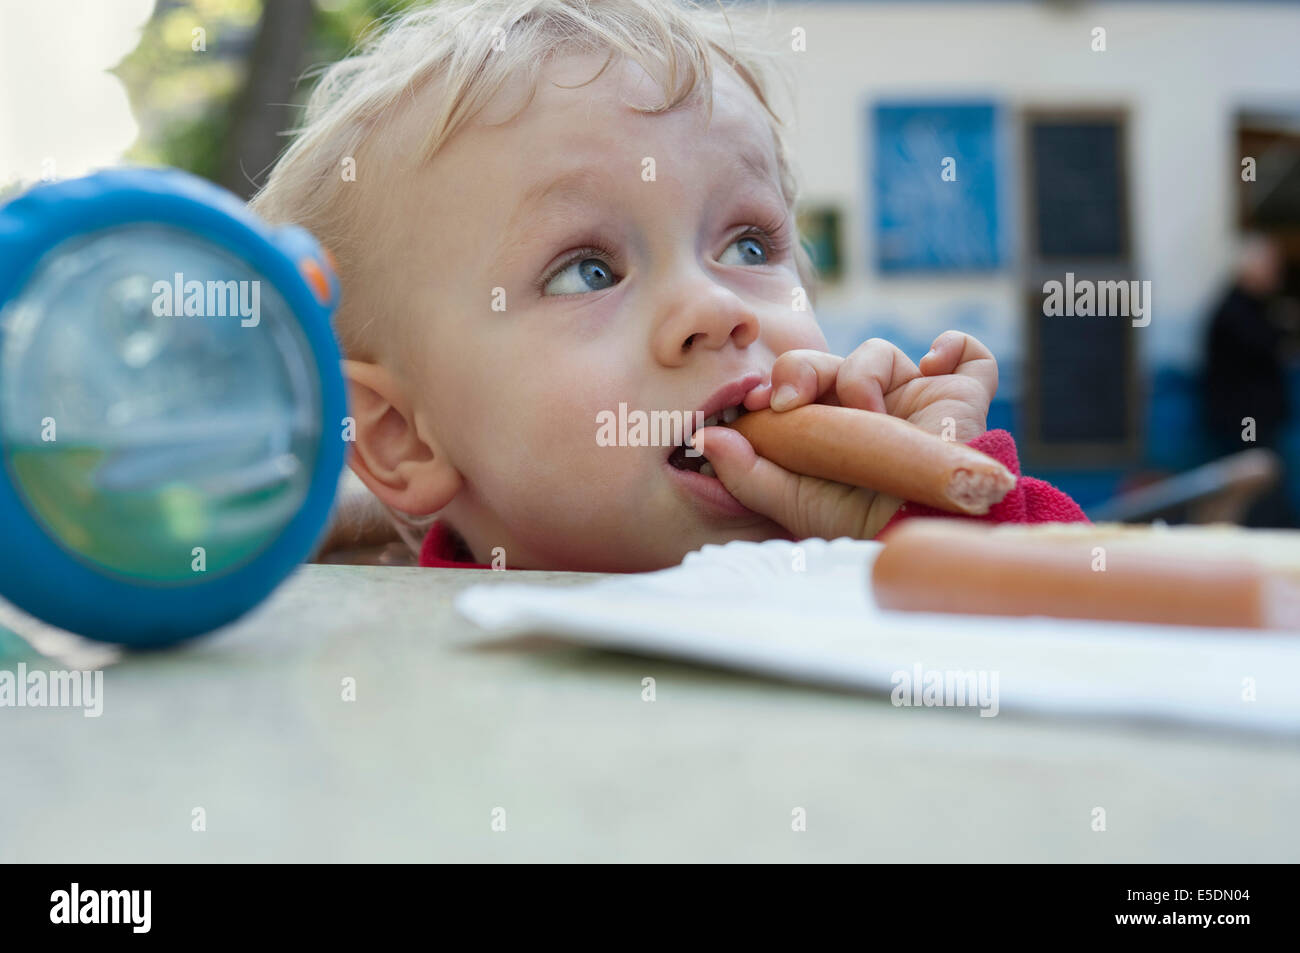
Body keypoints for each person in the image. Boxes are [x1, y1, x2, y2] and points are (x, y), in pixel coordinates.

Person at [253, 0, 1086, 571]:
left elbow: (1107, 657)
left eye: (751, 244)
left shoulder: (861, 571)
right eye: (588, 270)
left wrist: (941, 519)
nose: (717, 308)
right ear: (406, 436)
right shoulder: (372, 667)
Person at [1203, 233, 1296, 526]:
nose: (1274, 275)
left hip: (1255, 419)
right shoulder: (1233, 310)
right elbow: (1266, 345)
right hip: (1244, 421)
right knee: (1255, 484)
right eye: (1269, 267)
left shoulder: (1254, 307)